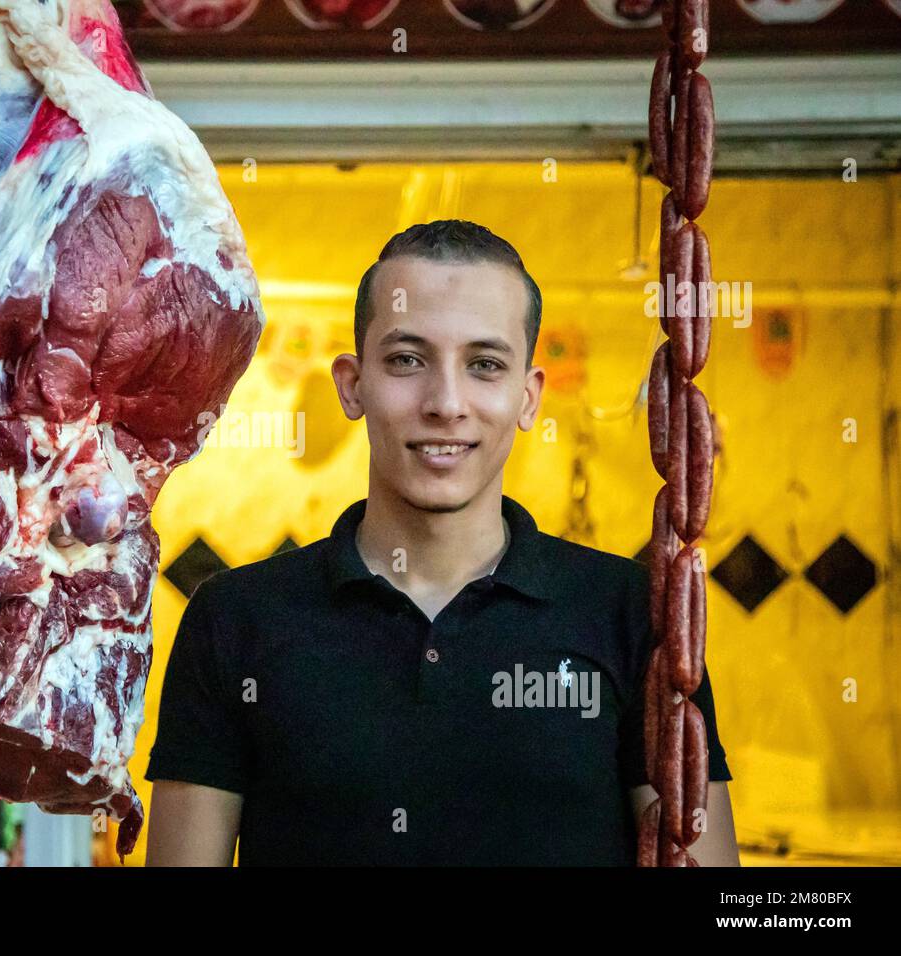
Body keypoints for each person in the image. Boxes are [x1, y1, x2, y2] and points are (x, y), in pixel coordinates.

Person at [144, 220, 739, 866]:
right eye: (407, 360)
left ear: (528, 397)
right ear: (353, 384)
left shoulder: (634, 616)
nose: (446, 402)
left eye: (484, 365)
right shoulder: (234, 623)